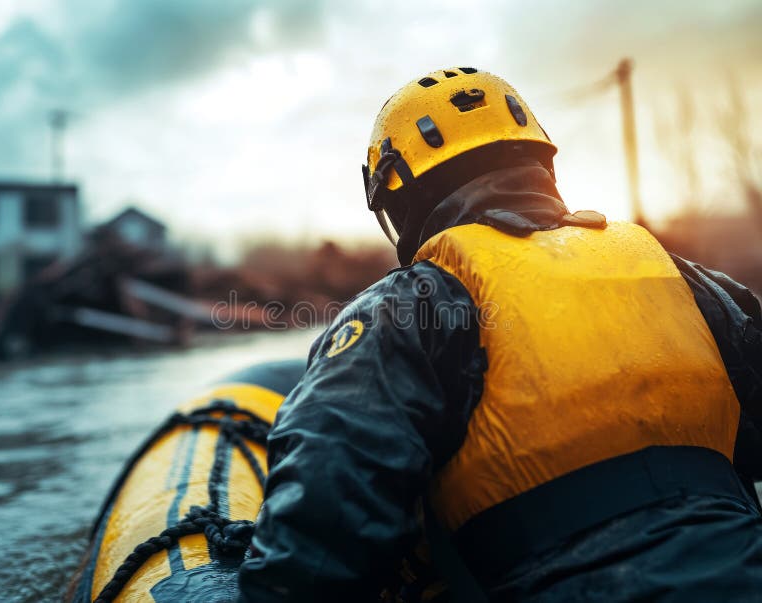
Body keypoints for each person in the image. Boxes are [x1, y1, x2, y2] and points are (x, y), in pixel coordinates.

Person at [237, 67, 762, 602]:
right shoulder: (687, 279)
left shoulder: (410, 305)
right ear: (539, 164)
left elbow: (322, 523)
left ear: (401, 199)